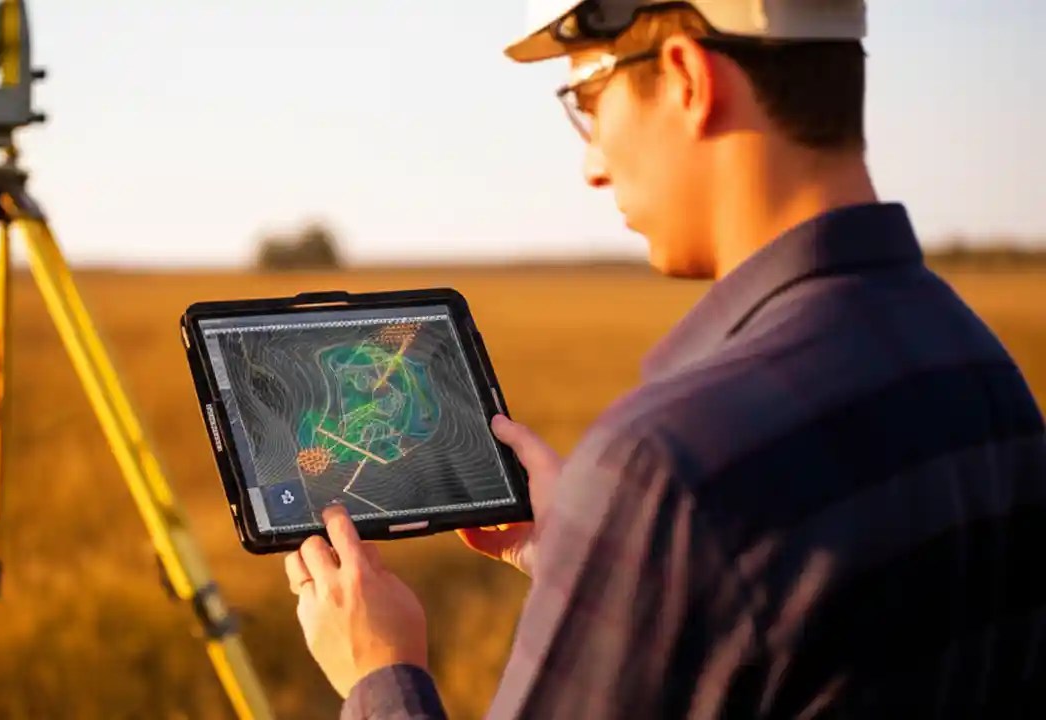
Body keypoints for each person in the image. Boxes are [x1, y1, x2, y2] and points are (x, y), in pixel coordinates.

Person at [283, 0, 1046, 717]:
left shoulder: (670, 468)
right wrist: (597, 563)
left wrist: (381, 674)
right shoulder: (983, 371)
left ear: (686, 78)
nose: (592, 167)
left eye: (588, 100)